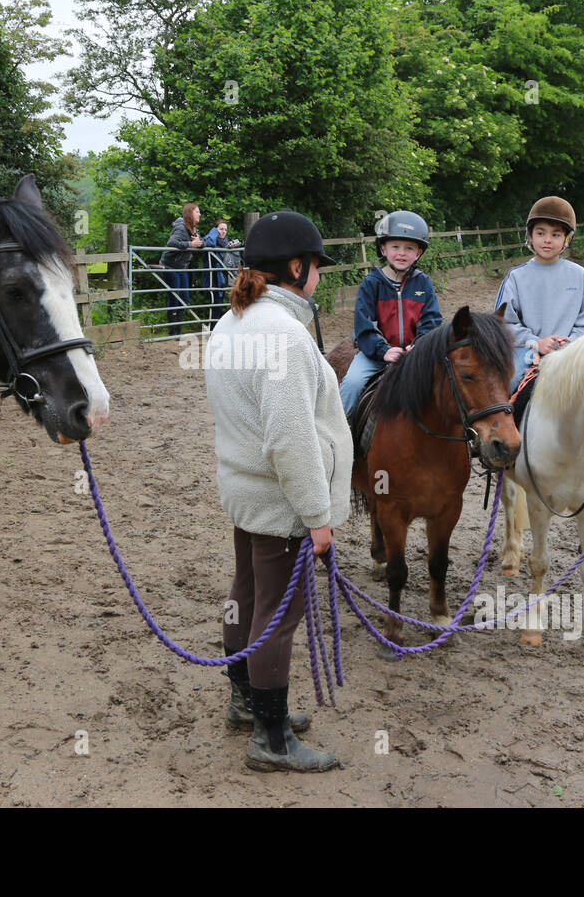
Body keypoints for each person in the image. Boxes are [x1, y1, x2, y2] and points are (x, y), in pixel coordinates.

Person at [205, 210, 352, 773]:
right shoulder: (284, 334)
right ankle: (271, 737)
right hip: (282, 497)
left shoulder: (232, 322)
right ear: (296, 266)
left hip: (244, 487)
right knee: (278, 615)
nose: (318, 276)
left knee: (246, 591)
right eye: (315, 266)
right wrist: (317, 514)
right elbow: (290, 439)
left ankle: (247, 702)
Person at [338, 211, 444, 418]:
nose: (402, 253)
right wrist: (383, 350)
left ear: (418, 253)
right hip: (375, 355)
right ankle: (340, 433)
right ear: (383, 249)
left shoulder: (424, 283)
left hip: (415, 355)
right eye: (395, 247)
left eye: (409, 248)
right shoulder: (372, 283)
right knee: (352, 383)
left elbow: (431, 321)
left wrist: (420, 345)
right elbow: (364, 324)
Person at [493, 196, 584, 393]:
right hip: (528, 350)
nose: (548, 240)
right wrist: (537, 342)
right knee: (506, 383)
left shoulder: (579, 275)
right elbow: (503, 323)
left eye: (556, 234)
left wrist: (570, 343)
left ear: (567, 239)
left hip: (573, 351)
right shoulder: (516, 277)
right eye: (541, 233)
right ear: (530, 236)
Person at [158, 202, 202, 335]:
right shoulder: (181, 228)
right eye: (197, 212)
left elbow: (202, 242)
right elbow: (171, 243)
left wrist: (199, 242)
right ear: (190, 213)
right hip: (170, 265)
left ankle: (178, 329)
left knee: (185, 299)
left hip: (182, 267)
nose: (199, 214)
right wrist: (190, 244)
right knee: (175, 298)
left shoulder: (193, 229)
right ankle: (173, 332)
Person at [201, 218, 241, 317]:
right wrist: (214, 232)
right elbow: (209, 244)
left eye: (225, 229)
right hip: (213, 278)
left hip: (224, 279)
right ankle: (213, 328)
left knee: (221, 304)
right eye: (220, 229)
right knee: (215, 305)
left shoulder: (226, 243)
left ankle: (216, 327)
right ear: (214, 230)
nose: (223, 232)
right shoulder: (210, 240)